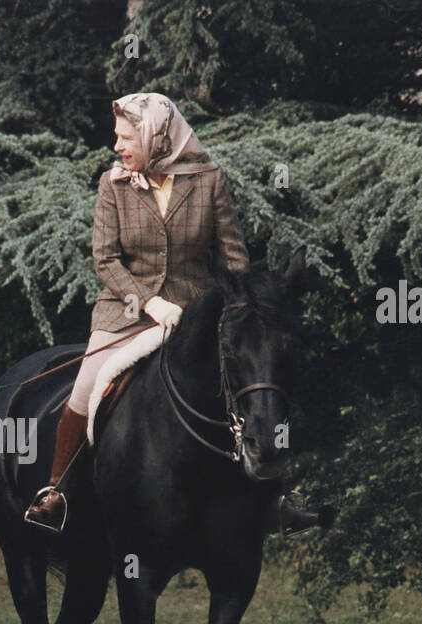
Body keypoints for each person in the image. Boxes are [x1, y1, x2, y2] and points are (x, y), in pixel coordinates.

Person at [25, 92, 323, 536]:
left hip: (197, 313)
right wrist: (148, 301)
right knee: (86, 386)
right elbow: (106, 260)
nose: (117, 146)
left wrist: (245, 308)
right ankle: (57, 492)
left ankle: (278, 497)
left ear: (155, 136)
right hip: (125, 313)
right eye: (117, 137)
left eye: (125, 137)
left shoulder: (209, 180)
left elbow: (234, 256)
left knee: (253, 381)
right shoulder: (114, 184)